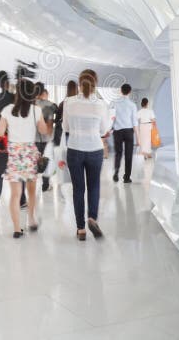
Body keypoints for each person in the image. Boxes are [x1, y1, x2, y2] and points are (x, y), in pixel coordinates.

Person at [0, 79, 51, 238]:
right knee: (31, 191)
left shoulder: (8, 109)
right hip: (29, 152)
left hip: (14, 152)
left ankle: (16, 229)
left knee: (15, 194)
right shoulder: (36, 110)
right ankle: (31, 219)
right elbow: (43, 130)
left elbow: (0, 132)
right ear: (32, 93)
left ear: (17, 92)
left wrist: (12, 132)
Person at [63, 69, 111, 241]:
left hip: (74, 148)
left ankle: (81, 229)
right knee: (94, 186)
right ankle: (92, 217)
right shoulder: (101, 104)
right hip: (95, 149)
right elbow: (104, 130)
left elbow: (65, 128)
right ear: (94, 84)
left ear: (79, 83)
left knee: (78, 189)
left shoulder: (69, 102)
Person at [0, 71, 26, 217]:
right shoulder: (13, 99)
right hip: (13, 140)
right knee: (18, 171)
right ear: (7, 82)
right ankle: (22, 200)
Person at [111, 83, 139, 184]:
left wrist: (110, 129)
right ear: (130, 92)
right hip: (128, 132)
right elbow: (135, 122)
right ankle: (127, 177)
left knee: (118, 153)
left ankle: (116, 172)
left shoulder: (114, 103)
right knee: (128, 155)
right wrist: (138, 138)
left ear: (121, 91)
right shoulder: (132, 105)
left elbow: (111, 118)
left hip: (117, 131)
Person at [34, 83, 58, 192]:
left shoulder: (30, 104)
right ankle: (45, 185)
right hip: (46, 139)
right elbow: (49, 124)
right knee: (46, 162)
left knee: (33, 162)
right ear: (43, 92)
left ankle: (32, 186)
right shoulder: (49, 105)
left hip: (32, 139)